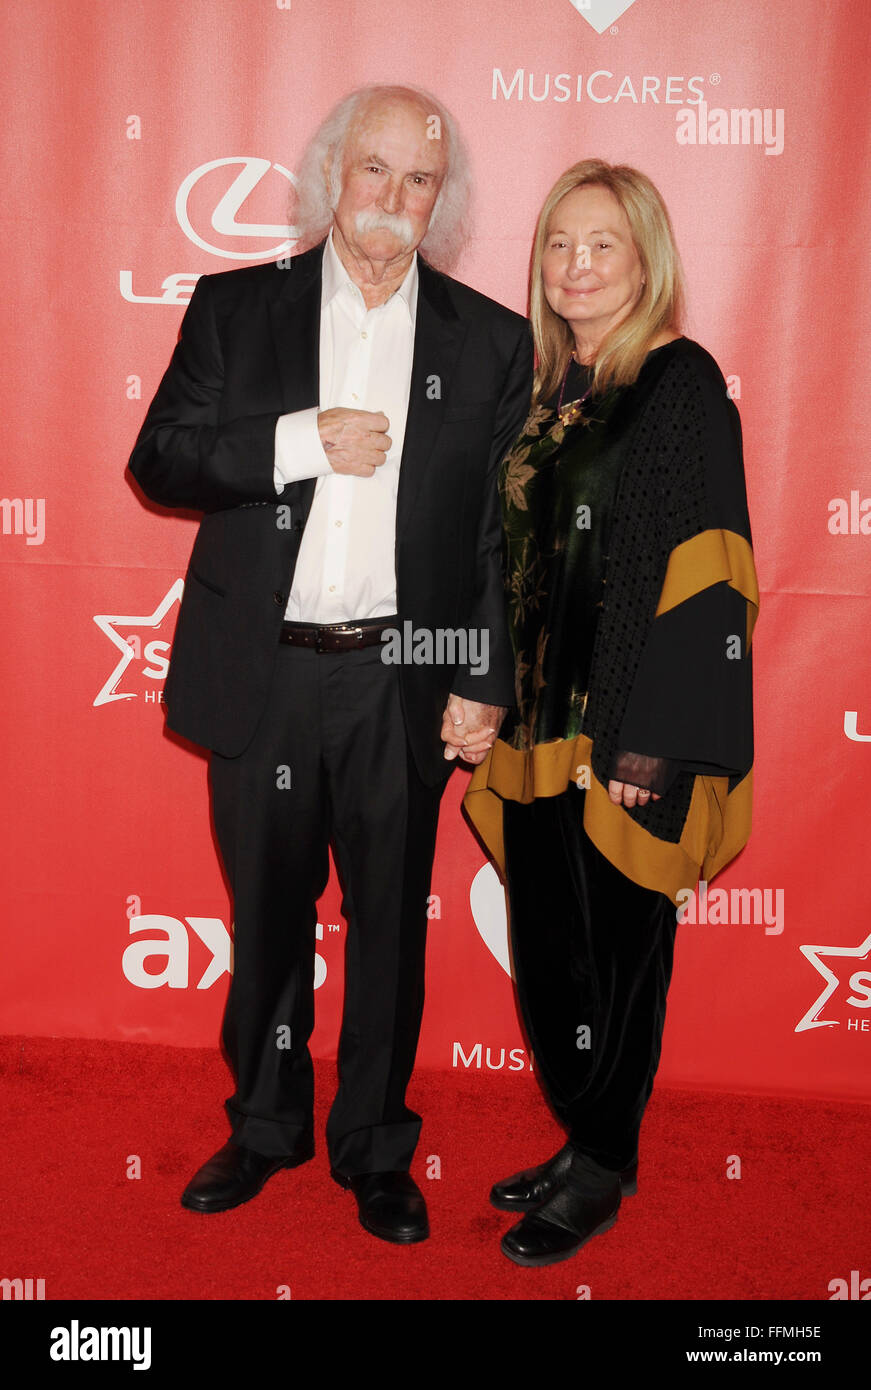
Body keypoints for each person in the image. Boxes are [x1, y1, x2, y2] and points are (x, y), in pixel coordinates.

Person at [128, 84, 532, 1245]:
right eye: (375, 169)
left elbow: (495, 540)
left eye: (419, 179)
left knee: (391, 926)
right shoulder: (236, 308)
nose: (393, 197)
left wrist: (481, 675)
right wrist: (295, 445)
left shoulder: (490, 339)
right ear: (330, 174)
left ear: (439, 199)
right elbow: (161, 457)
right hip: (267, 668)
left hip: (403, 668)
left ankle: (371, 1145)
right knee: (266, 913)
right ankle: (264, 1126)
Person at [464, 159, 758, 1267]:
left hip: (623, 730)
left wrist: (660, 738)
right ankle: (587, 1137)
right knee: (551, 957)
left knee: (620, 955)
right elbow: (496, 557)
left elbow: (711, 566)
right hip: (534, 731)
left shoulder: (678, 382)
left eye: (602, 246)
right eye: (558, 244)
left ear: (647, 262)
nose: (575, 266)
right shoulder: (542, 390)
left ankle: (599, 1164)